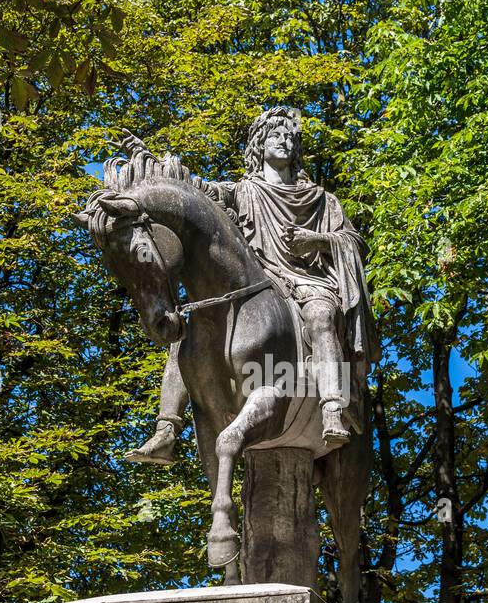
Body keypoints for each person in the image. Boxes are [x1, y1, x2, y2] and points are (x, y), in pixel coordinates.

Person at [127, 105, 376, 463]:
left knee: (322, 316)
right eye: (277, 135)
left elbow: (352, 241)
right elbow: (194, 192)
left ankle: (332, 406)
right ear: (260, 144)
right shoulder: (244, 192)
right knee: (189, 332)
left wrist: (316, 240)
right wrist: (152, 164)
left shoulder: (321, 199)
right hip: (259, 282)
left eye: (291, 137)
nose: (285, 141)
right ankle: (166, 429)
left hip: (309, 281)